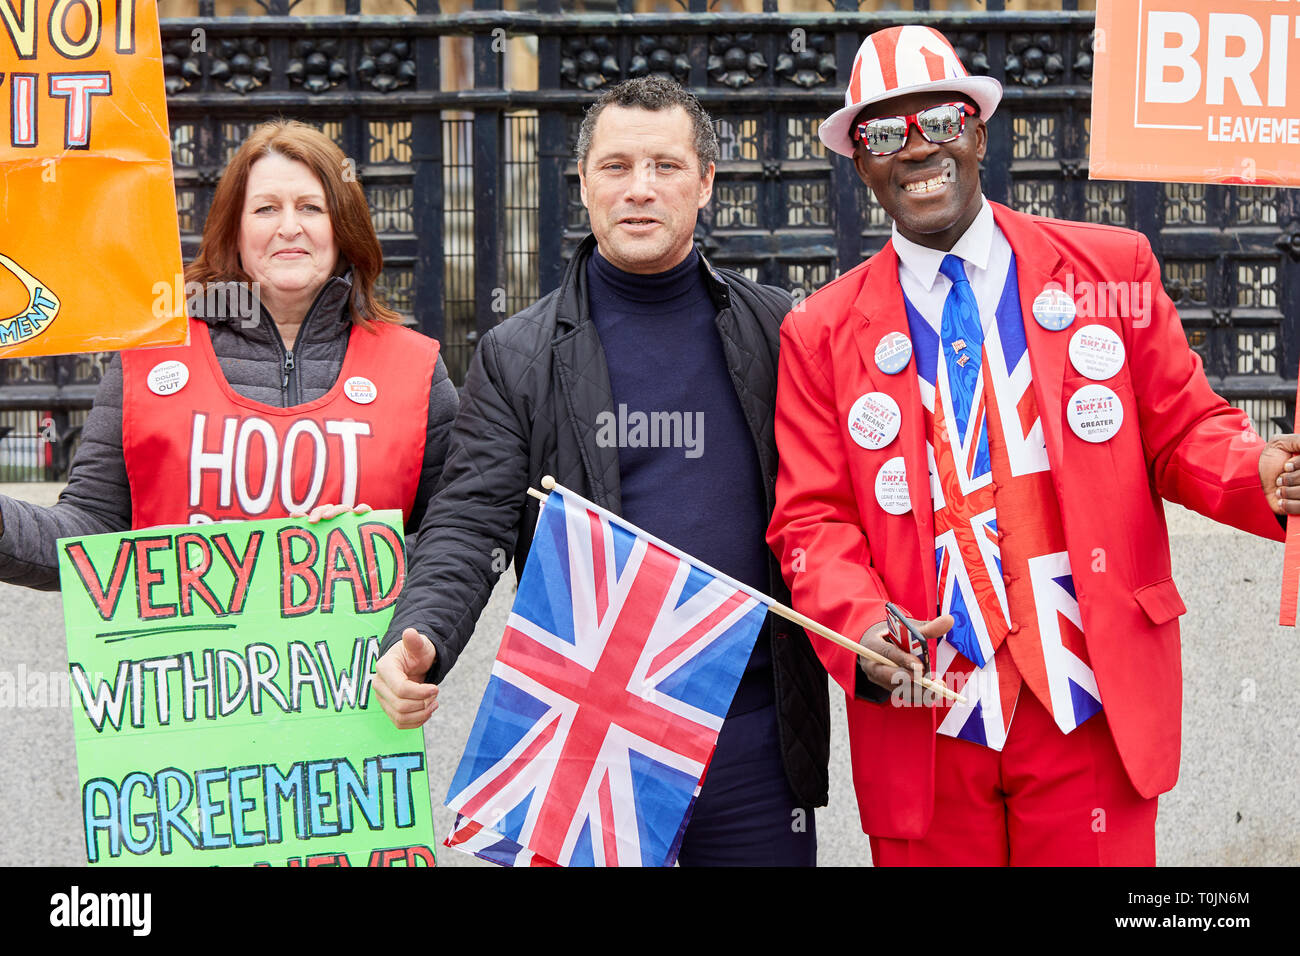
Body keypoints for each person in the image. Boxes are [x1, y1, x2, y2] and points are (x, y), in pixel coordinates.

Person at [765, 25, 1300, 866]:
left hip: (1089, 695)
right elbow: (811, 522)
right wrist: (861, 627)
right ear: (858, 163)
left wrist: (1262, 473)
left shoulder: (1108, 267)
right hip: (929, 706)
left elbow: (1185, 430)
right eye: (882, 135)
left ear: (978, 131)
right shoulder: (820, 330)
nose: (916, 151)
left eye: (939, 122)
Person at [372, 76, 830, 866]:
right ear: (582, 183)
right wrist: (421, 634)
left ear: (707, 183)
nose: (640, 189)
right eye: (616, 167)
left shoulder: (780, 328)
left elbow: (833, 502)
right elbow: (468, 519)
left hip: (753, 731)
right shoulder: (516, 356)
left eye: (666, 166)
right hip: (595, 728)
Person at [0, 120, 457, 581]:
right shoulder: (150, 355)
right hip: (181, 653)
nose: (289, 227)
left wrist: (365, 556)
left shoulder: (415, 370)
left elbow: (457, 536)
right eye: (265, 209)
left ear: (343, 226)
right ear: (233, 231)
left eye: (311, 208)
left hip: (357, 655)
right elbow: (91, 533)